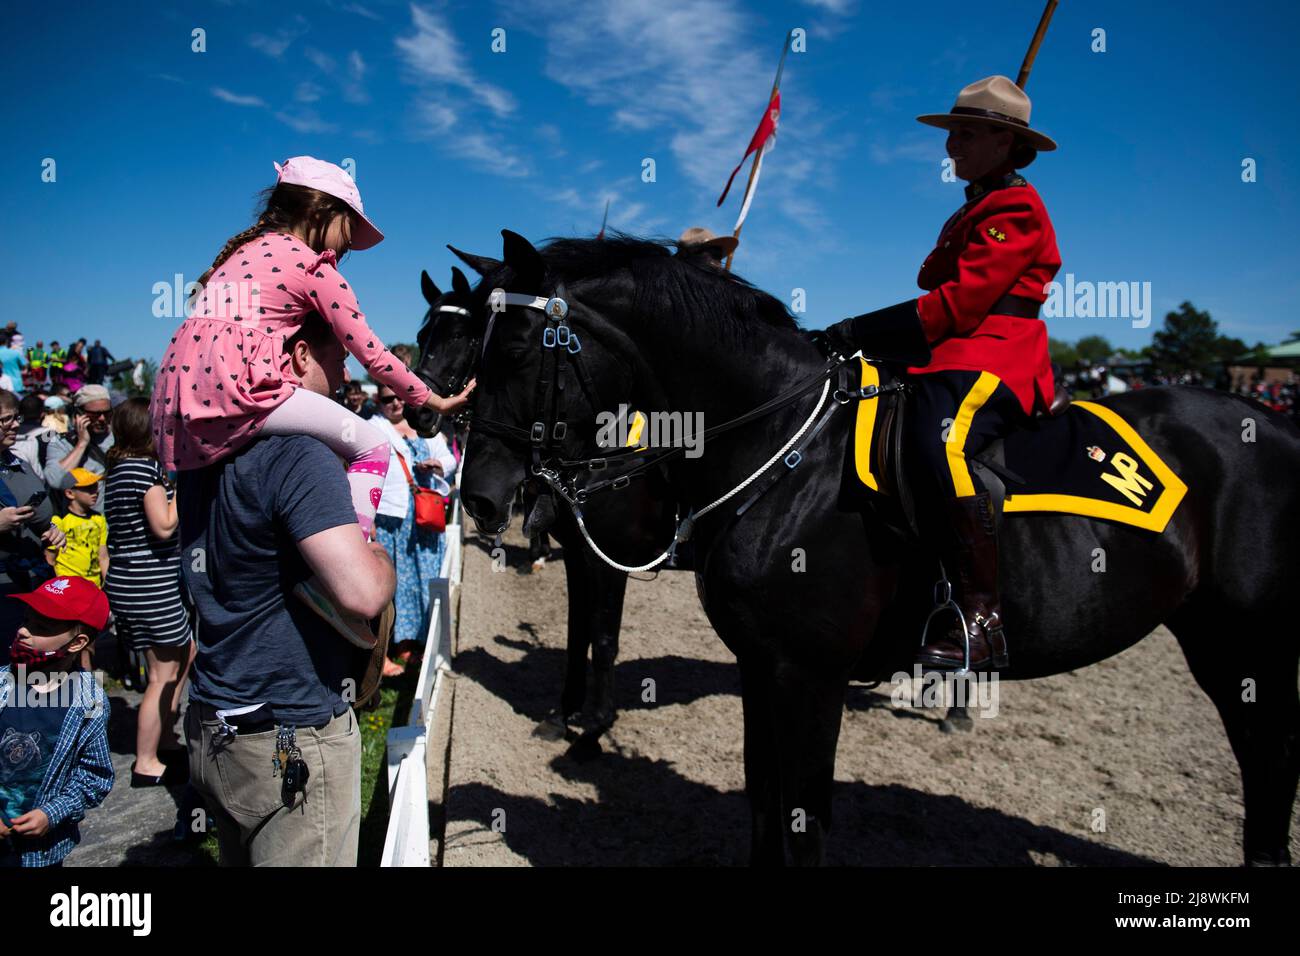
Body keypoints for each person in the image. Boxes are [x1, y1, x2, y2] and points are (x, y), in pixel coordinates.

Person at [151, 155, 471, 640]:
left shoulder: (240, 255)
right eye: (349, 229)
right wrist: (432, 400)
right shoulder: (313, 267)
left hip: (180, 387)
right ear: (323, 213)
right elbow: (372, 353)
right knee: (372, 446)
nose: (349, 245)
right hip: (241, 386)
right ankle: (345, 565)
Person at [821, 75, 1060, 673]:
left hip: (995, 356)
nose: (952, 146)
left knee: (939, 444)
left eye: (968, 134)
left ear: (1007, 144)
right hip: (952, 352)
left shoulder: (1018, 209)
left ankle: (981, 618)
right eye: (952, 133)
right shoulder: (980, 205)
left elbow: (956, 304)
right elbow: (932, 275)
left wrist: (856, 329)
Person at [178, 314, 396, 866]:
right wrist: (379, 559)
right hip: (288, 734)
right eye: (338, 355)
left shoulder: (202, 458)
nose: (347, 371)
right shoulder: (301, 454)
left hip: (215, 721)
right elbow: (363, 594)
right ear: (299, 356)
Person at [104, 398, 192, 788]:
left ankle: (168, 735)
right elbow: (164, 525)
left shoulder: (119, 470)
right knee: (161, 673)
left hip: (132, 582)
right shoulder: (143, 470)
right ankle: (146, 761)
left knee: (186, 652)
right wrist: (182, 489)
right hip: (150, 584)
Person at [0, 575, 113, 867]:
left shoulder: (89, 702)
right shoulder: (3, 682)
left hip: (41, 850)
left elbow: (94, 777)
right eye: (26, 619)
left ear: (77, 642)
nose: (23, 630)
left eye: (41, 626)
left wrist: (52, 813)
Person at [370, 385, 455, 672]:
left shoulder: (423, 426)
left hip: (425, 517)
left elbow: (450, 458)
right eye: (387, 399)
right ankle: (403, 645)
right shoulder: (373, 428)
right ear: (377, 402)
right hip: (394, 519)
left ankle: (427, 640)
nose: (394, 404)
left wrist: (438, 465)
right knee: (402, 584)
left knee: (428, 578)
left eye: (398, 398)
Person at [0, 390, 66, 662]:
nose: (16, 424)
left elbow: (40, 515)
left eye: (15, 417)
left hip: (32, 581)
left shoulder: (18, 463)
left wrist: (50, 530)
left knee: (34, 671)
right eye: (6, 420)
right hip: (3, 588)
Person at [37, 384, 114, 515]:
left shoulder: (120, 437)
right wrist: (82, 443)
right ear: (79, 414)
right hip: (83, 530)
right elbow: (54, 480)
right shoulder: (62, 443)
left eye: (107, 413)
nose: (102, 419)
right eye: (95, 414)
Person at [46, 469, 107, 586]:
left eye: (95, 486)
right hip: (67, 586)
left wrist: (108, 586)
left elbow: (103, 557)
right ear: (70, 493)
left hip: (95, 586)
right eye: (88, 488)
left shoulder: (98, 519)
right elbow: (50, 558)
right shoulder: (59, 521)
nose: (95, 492)